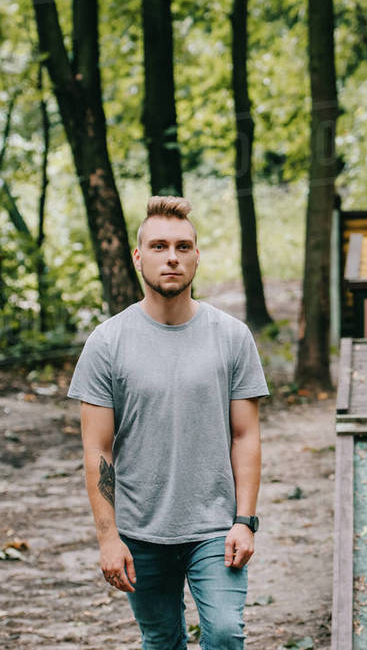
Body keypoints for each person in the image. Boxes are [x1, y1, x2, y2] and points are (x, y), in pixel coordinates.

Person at [69, 195, 269, 650]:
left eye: (183, 246)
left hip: (215, 528)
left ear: (197, 255)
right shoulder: (107, 342)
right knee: (161, 641)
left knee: (223, 633)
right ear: (139, 257)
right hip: (141, 530)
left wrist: (245, 521)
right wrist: (108, 538)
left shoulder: (232, 337)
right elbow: (97, 448)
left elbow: (246, 434)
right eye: (159, 246)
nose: (172, 257)